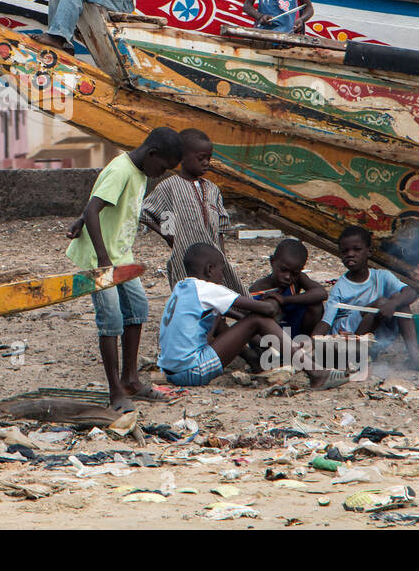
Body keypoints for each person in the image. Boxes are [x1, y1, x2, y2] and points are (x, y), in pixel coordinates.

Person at [66, 126, 182, 411]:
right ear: (152, 154)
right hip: (101, 259)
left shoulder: (140, 172)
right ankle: (115, 391)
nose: (162, 174)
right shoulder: (121, 170)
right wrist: (104, 259)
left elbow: (121, 208)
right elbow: (94, 209)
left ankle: (130, 379)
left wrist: (159, 230)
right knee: (111, 321)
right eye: (164, 167)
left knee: (138, 309)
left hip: (122, 256)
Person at [158, 244, 336, 388]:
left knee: (224, 315)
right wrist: (276, 301)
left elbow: (230, 312)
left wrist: (247, 325)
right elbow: (268, 310)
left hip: (172, 372)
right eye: (222, 272)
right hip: (193, 371)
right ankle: (316, 373)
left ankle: (256, 361)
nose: (222, 278)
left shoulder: (181, 288)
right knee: (258, 319)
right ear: (210, 269)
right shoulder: (208, 289)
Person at [312, 225, 419, 371]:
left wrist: (393, 303)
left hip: (373, 336)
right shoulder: (340, 287)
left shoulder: (381, 276)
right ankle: (353, 357)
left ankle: (415, 358)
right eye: (345, 251)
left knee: (401, 303)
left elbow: (411, 292)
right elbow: (326, 321)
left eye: (356, 249)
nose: (350, 254)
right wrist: (311, 342)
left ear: (369, 251)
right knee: (382, 302)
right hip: (349, 337)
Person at [140, 128, 242, 292]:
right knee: (189, 294)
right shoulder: (170, 186)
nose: (206, 163)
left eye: (209, 158)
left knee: (219, 296)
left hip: (212, 258)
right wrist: (167, 234)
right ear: (183, 158)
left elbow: (221, 226)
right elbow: (148, 213)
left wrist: (222, 255)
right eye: (201, 158)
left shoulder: (213, 189)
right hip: (184, 257)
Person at [246, 238, 327, 339]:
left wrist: (285, 300)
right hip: (271, 337)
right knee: (270, 305)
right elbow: (250, 324)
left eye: (294, 273)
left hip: (295, 330)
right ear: (272, 261)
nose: (288, 277)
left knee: (316, 305)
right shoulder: (256, 290)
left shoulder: (297, 278)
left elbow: (321, 293)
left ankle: (306, 344)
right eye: (283, 270)